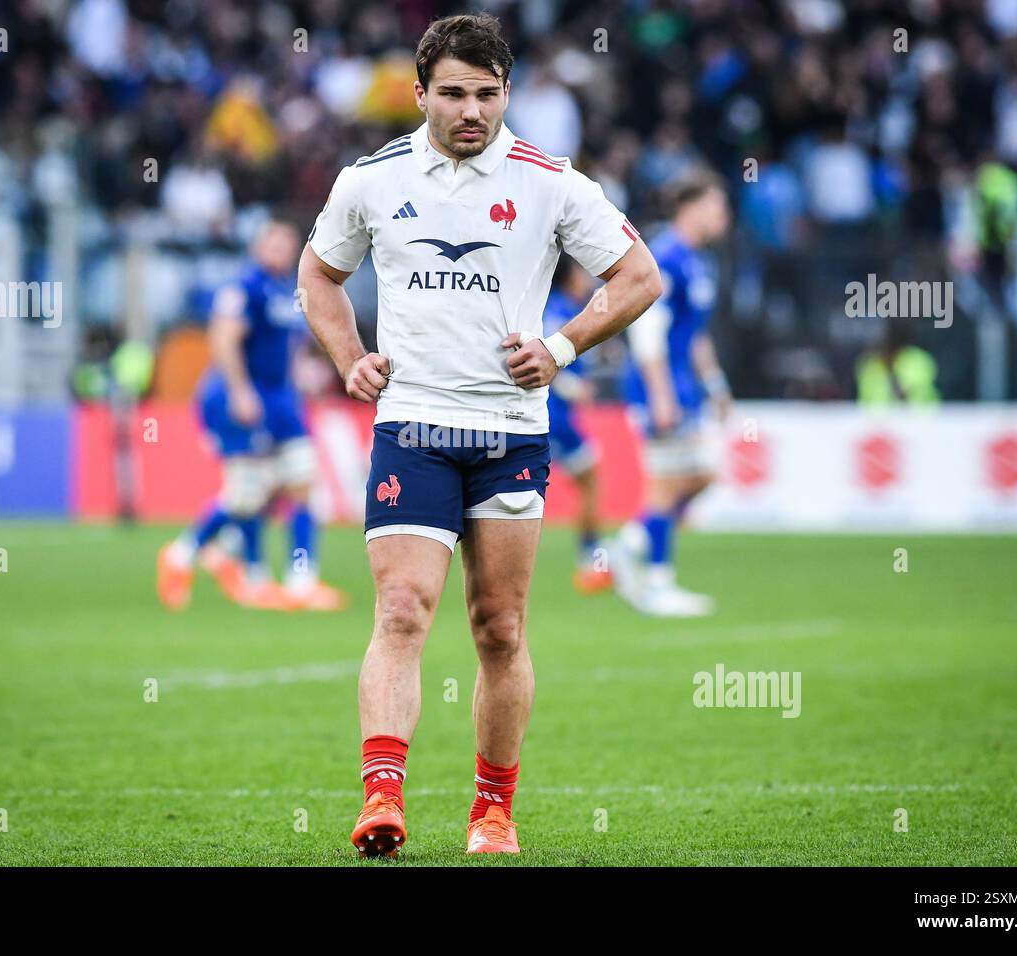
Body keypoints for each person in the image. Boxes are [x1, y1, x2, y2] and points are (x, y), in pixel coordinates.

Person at [297, 13, 661, 856]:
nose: (472, 110)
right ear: (419, 92)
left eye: (488, 94)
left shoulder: (552, 182)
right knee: (399, 611)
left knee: (499, 628)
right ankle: (382, 799)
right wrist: (349, 354)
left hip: (510, 433)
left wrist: (563, 345)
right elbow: (318, 272)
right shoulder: (372, 180)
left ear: (509, 94)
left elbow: (638, 276)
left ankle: (492, 812)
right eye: (453, 93)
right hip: (412, 427)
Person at [156, 219, 346, 612]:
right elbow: (224, 338)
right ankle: (204, 561)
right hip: (241, 397)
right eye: (272, 245)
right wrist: (240, 391)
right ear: (258, 247)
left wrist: (302, 380)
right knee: (248, 493)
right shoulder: (243, 287)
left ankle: (300, 580)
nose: (279, 252)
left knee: (303, 482)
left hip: (280, 401)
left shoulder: (289, 291)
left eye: (286, 246)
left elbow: (288, 348)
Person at [617, 169, 733, 617]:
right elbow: (648, 329)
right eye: (717, 207)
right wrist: (660, 394)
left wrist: (716, 385)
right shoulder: (664, 254)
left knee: (701, 475)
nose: (724, 217)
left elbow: (696, 334)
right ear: (693, 207)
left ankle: (629, 546)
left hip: (684, 385)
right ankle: (658, 582)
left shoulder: (697, 260)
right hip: (660, 386)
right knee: (667, 484)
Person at [543, 254, 610, 593]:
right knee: (590, 479)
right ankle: (591, 561)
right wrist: (573, 387)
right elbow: (545, 355)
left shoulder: (566, 308)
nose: (589, 279)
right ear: (570, 276)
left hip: (556, 415)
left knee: (587, 479)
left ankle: (593, 560)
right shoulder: (558, 310)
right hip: (553, 415)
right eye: (584, 272)